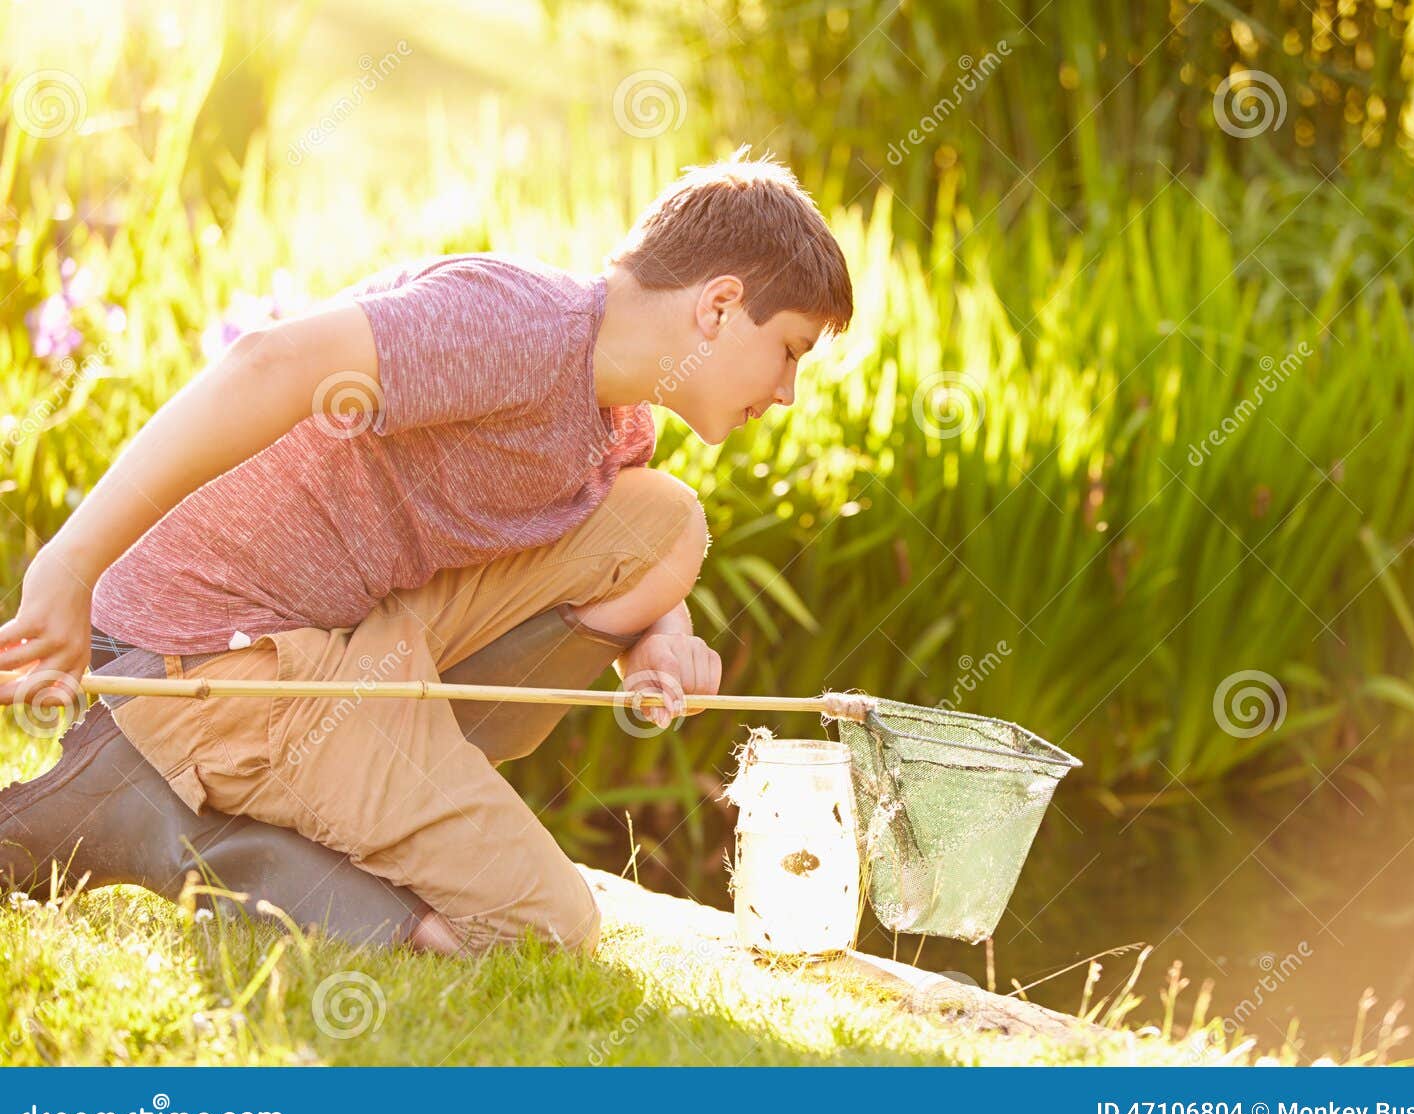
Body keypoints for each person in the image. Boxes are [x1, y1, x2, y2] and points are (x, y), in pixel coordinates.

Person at [0, 152, 853, 957]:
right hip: (213, 659)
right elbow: (271, 360)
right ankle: (160, 813)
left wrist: (660, 636)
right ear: (718, 305)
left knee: (666, 521)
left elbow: (632, 552)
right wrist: (71, 564)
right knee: (545, 929)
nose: (786, 390)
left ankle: (359, 776)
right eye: (790, 350)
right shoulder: (515, 323)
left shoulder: (619, 422)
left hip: (344, 633)